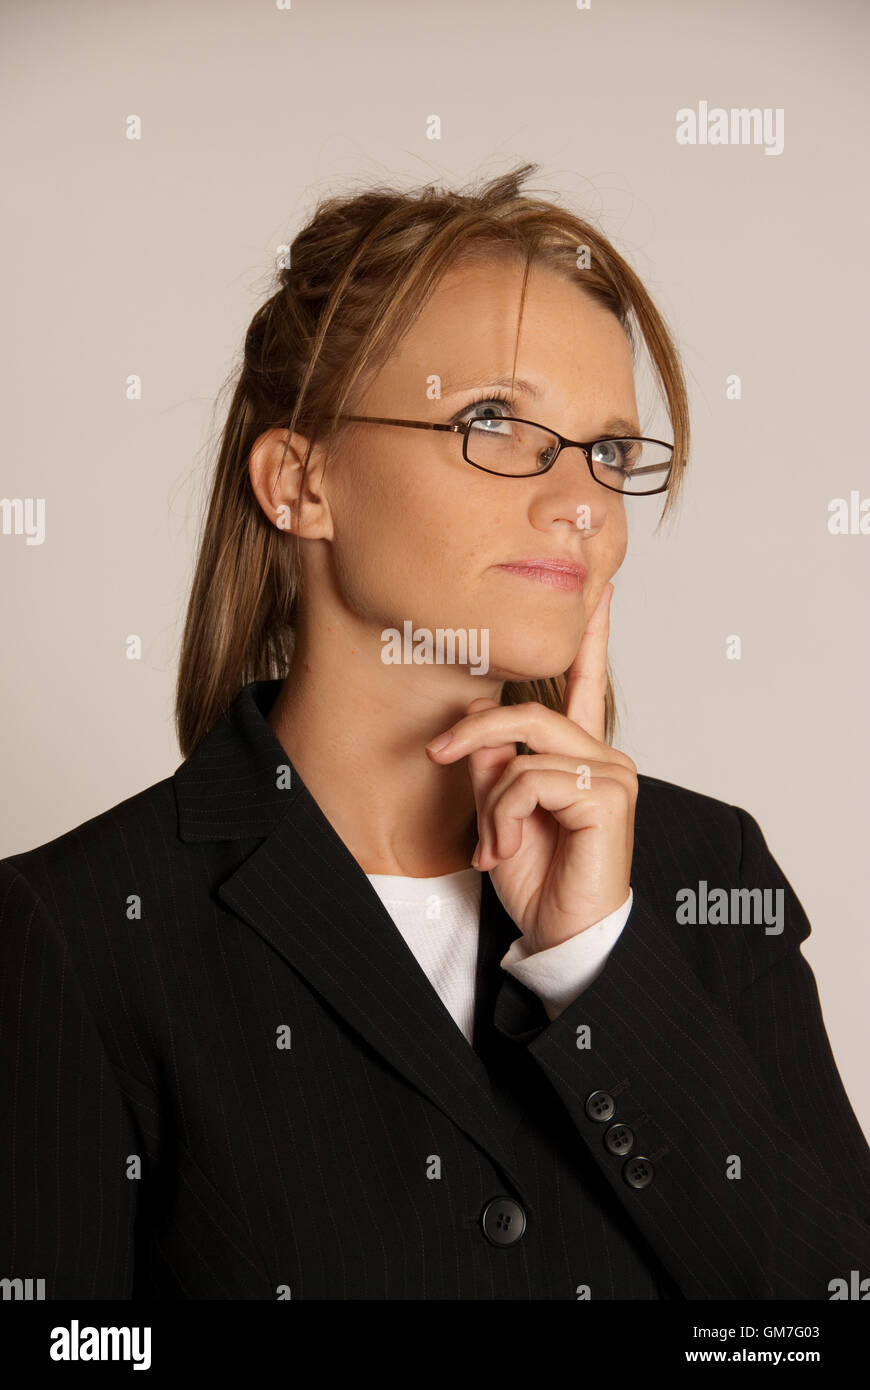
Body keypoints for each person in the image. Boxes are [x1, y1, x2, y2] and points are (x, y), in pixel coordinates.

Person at [1, 163, 869, 1300]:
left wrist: (599, 959)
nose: (584, 502)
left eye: (610, 450)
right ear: (299, 483)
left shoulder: (710, 876)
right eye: (494, 420)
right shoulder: (78, 930)